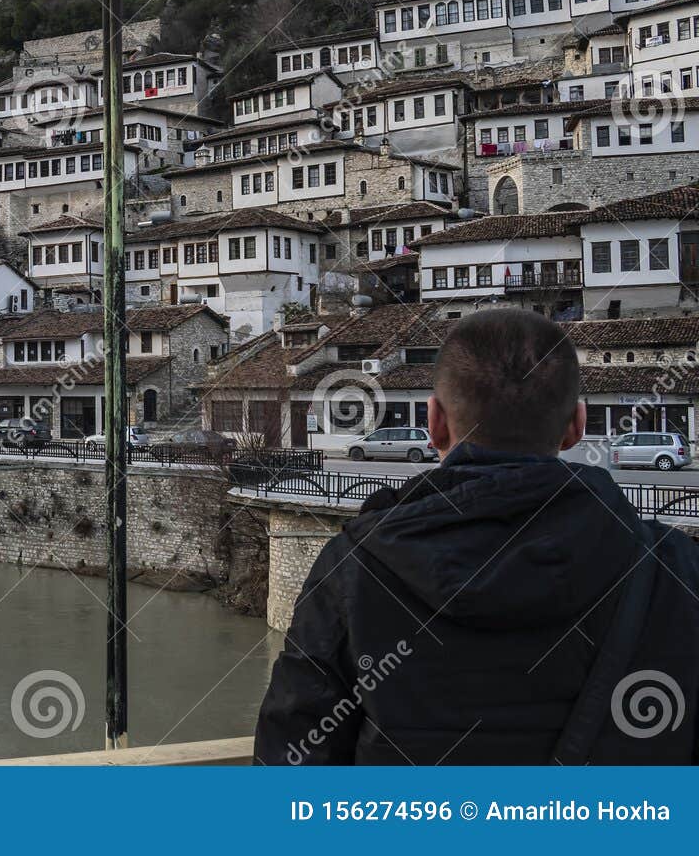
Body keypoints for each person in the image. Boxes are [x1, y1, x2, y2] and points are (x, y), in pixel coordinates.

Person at [255, 308, 699, 764]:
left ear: (435, 423)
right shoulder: (674, 566)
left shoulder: (356, 564)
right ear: (576, 425)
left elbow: (292, 755)